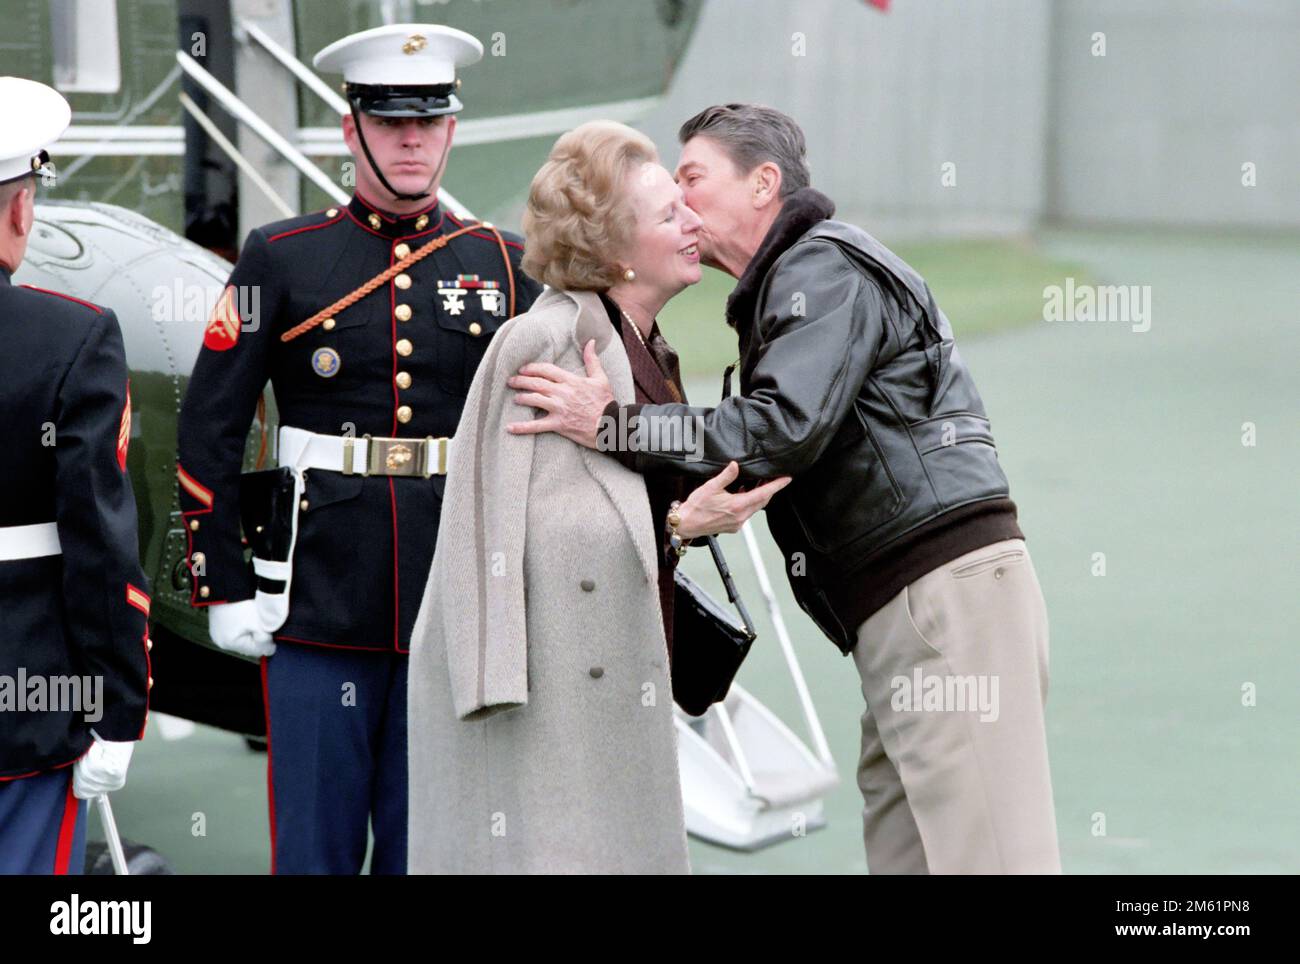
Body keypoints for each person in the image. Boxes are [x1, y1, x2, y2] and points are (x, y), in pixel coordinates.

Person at [508, 104, 1061, 874]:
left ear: (764, 183)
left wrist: (614, 424)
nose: (680, 197)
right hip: (915, 605)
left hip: (941, 598)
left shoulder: (818, 267)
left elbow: (778, 429)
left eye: (692, 178)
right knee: (912, 851)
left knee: (991, 858)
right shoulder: (797, 279)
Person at [175, 24, 542, 875]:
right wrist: (221, 583)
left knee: (429, 850)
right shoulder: (282, 259)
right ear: (352, 131)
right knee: (312, 849)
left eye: (428, 120)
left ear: (452, 128)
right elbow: (211, 426)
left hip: (451, 602)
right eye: (389, 122)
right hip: (313, 601)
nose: (411, 139)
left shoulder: (507, 265)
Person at [406, 121, 787, 873]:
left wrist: (684, 521)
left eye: (687, 203)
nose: (692, 221)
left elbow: (639, 520)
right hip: (547, 710)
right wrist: (491, 685)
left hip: (619, 693)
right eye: (667, 214)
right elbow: (487, 525)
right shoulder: (539, 343)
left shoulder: (652, 348)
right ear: (616, 253)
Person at [0, 77, 151, 874]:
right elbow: (99, 543)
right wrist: (117, 708)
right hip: (27, 705)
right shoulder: (73, 339)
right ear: (21, 208)